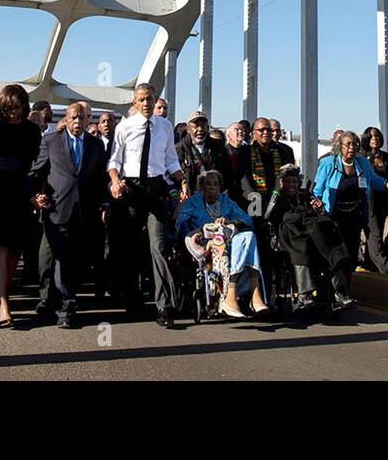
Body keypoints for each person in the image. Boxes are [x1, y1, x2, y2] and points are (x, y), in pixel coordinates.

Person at [107, 82, 186, 327]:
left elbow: (171, 161)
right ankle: (133, 302)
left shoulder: (165, 127)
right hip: (131, 189)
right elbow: (114, 161)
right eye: (141, 99)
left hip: (156, 190)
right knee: (130, 248)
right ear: (135, 102)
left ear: (155, 100)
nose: (146, 103)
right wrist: (115, 181)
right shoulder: (125, 127)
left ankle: (164, 307)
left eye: (150, 99)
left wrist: (183, 182)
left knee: (159, 247)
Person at [31, 101, 108, 328]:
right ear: (66, 119)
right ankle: (66, 308)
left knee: (75, 260)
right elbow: (36, 172)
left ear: (87, 120)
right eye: (73, 118)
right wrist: (36, 195)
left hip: (85, 211)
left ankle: (63, 299)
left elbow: (99, 178)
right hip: (57, 209)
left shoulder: (96, 145)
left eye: (82, 118)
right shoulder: (51, 142)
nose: (77, 122)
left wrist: (104, 203)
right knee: (61, 259)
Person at [312, 130, 388, 289]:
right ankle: (334, 291)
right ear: (340, 146)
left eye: (355, 144)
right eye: (348, 144)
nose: (352, 147)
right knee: (337, 256)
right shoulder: (329, 163)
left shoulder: (362, 163)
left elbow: (376, 181)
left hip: (355, 216)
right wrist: (316, 202)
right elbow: (316, 191)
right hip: (334, 217)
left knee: (351, 257)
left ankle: (346, 291)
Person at [0, 84, 42, 327]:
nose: (13, 113)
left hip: (21, 192)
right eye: (8, 108)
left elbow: (38, 165)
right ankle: (4, 301)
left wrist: (36, 194)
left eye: (17, 107)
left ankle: (3, 290)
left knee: (14, 249)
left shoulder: (32, 131)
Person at [177, 170, 267, 318]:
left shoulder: (226, 201)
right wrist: (200, 232)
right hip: (206, 243)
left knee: (249, 236)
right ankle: (232, 295)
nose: (212, 187)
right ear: (201, 186)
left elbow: (247, 220)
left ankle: (253, 293)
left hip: (229, 241)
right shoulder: (192, 202)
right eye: (208, 184)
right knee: (220, 240)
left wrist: (229, 221)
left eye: (216, 184)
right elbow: (181, 224)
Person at [266, 165, 355, 309]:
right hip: (289, 233)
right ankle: (304, 294)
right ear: (281, 183)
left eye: (294, 182)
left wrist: (317, 205)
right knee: (303, 246)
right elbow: (267, 215)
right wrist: (276, 190)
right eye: (287, 182)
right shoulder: (277, 196)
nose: (291, 185)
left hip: (310, 231)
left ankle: (339, 291)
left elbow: (316, 213)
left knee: (329, 246)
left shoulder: (304, 195)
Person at [360, 126, 388, 274]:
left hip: (383, 202)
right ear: (367, 139)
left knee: (375, 236)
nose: (375, 138)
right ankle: (385, 270)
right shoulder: (362, 157)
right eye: (371, 136)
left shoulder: (387, 157)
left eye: (377, 136)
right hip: (368, 203)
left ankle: (371, 268)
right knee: (375, 238)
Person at [175, 109, 230, 197]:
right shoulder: (179, 149)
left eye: (203, 126)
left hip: (214, 197)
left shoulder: (218, 146)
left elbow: (227, 172)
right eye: (196, 126)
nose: (200, 129)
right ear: (188, 129)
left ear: (208, 128)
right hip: (189, 197)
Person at [241, 119, 287, 217]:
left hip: (277, 193)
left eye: (268, 130)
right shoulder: (246, 151)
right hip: (254, 194)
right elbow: (243, 177)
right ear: (254, 133)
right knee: (257, 218)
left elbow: (287, 171)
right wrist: (252, 195)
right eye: (261, 130)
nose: (265, 133)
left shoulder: (280, 150)